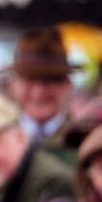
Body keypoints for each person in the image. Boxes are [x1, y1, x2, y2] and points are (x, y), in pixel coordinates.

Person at [7, 27, 78, 168]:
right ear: (12, 85)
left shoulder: (83, 140)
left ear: (68, 85)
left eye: (50, 80)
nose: (39, 92)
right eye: (30, 80)